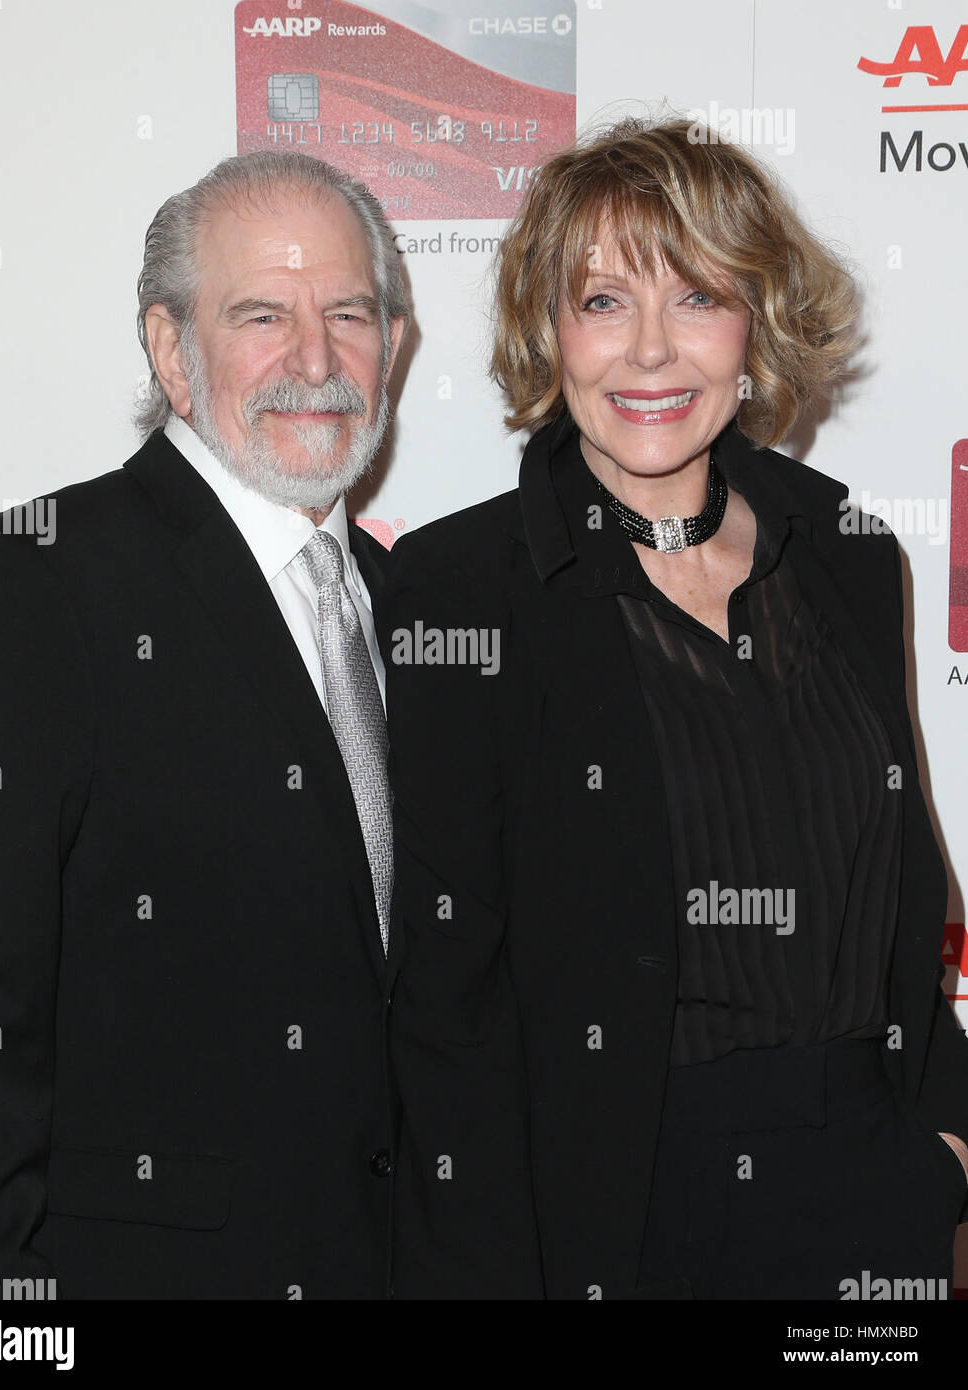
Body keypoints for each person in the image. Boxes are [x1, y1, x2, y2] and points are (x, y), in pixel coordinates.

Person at [382, 117, 968, 1300]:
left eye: (696, 296)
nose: (650, 353)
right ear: (548, 332)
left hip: (874, 1191)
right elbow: (448, 1003)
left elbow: (908, 888)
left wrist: (942, 1152)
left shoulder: (846, 555)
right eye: (601, 302)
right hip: (614, 1214)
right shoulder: (460, 588)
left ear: (755, 322)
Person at [0, 150, 408, 1299]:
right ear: (168, 352)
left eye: (349, 312)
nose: (315, 359)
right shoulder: (27, 585)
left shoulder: (418, 608)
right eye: (260, 315)